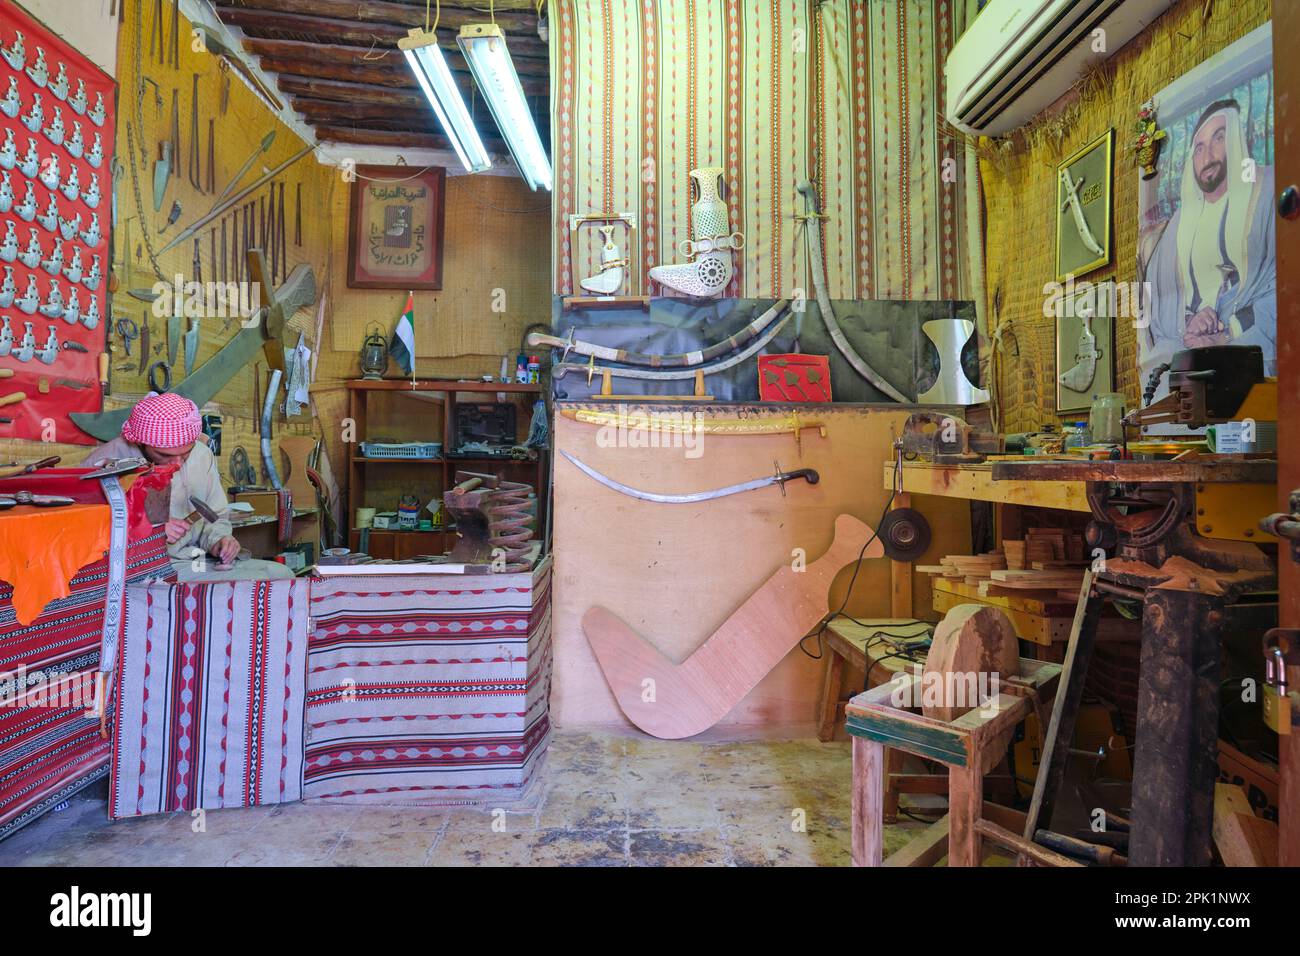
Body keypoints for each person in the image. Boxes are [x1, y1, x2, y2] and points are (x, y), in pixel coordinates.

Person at [84, 392, 294, 581]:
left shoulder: (202, 455)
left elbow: (215, 515)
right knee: (253, 585)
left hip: (193, 557)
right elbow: (82, 528)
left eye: (185, 454)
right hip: (145, 567)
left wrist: (219, 540)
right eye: (164, 455)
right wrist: (150, 530)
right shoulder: (106, 462)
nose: (177, 464)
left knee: (282, 575)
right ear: (140, 442)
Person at [1140, 99, 1276, 372]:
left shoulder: (1266, 194)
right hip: (1188, 351)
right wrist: (1189, 321)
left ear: (1235, 141)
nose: (1208, 155)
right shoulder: (1180, 223)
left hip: (1250, 340)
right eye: (1199, 147)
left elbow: (1284, 284)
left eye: (1219, 138)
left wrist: (1228, 332)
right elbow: (1156, 298)